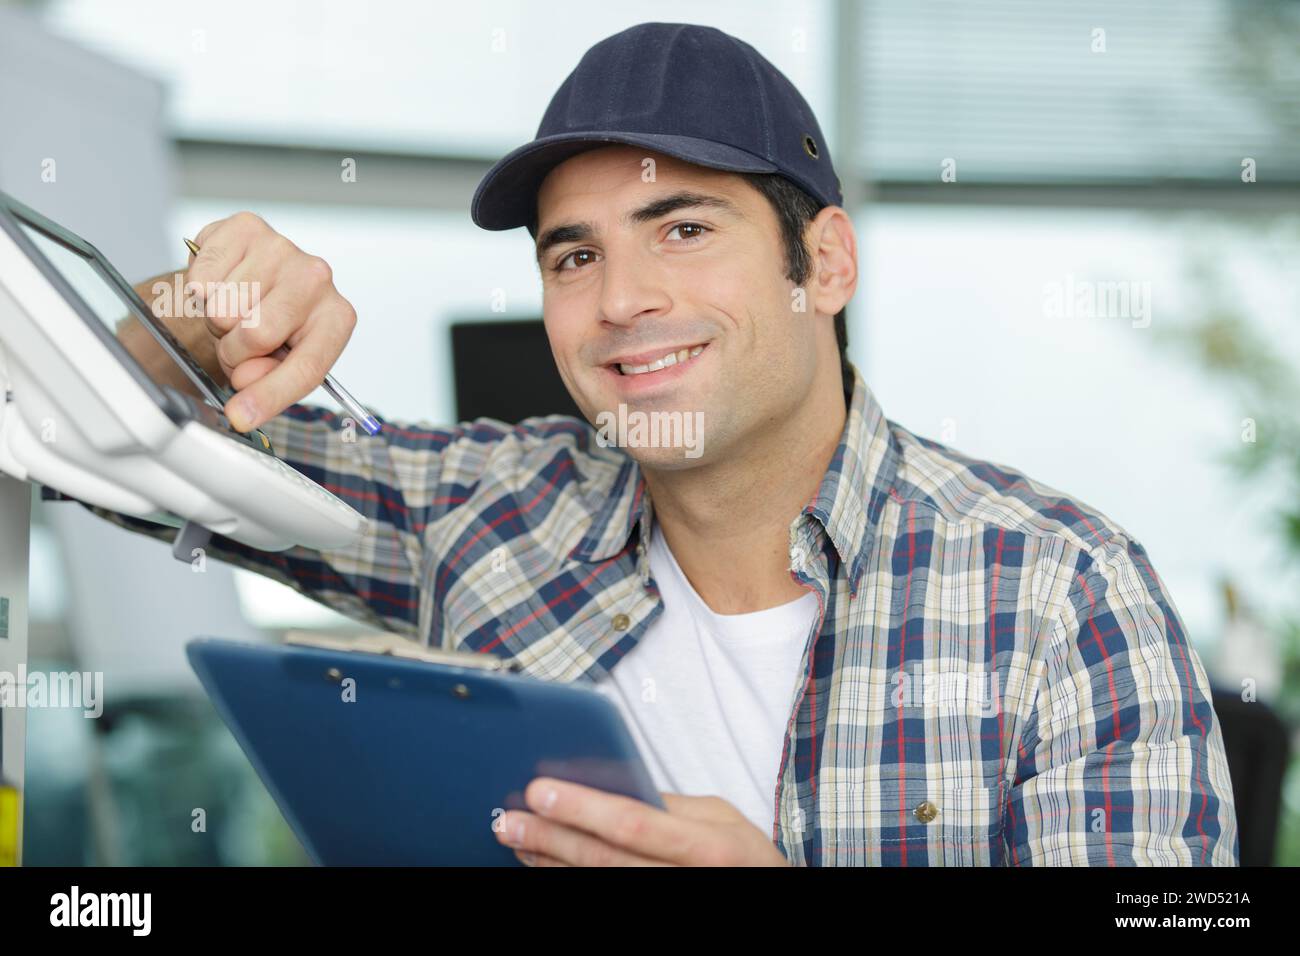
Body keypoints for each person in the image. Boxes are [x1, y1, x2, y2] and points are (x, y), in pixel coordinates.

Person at [59, 22, 1237, 866]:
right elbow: (97, 435)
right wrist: (197, 316)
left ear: (823, 262)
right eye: (574, 254)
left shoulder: (1058, 588)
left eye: (682, 226)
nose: (621, 299)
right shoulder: (482, 511)